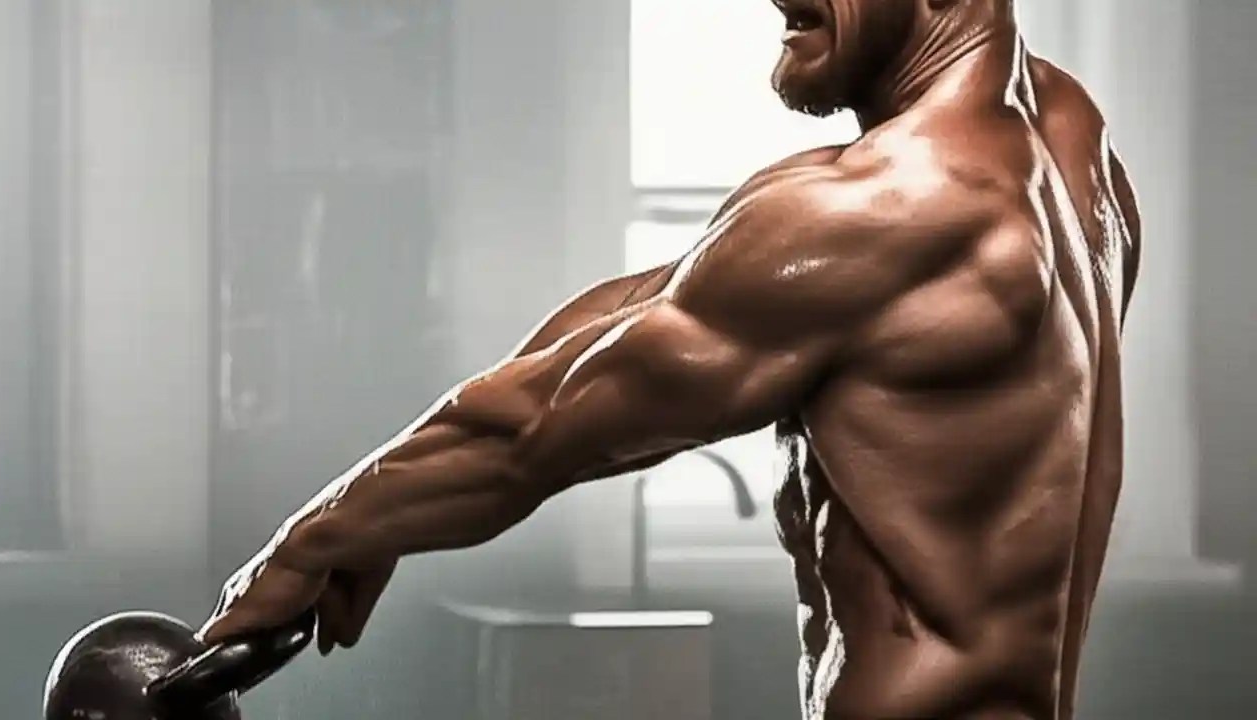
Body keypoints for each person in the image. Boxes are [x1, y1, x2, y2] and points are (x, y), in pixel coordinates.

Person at [200, 0, 1141, 717]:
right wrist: (386, 517)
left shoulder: (893, 211)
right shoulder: (1069, 147)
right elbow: (668, 301)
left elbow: (534, 432)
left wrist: (313, 539)